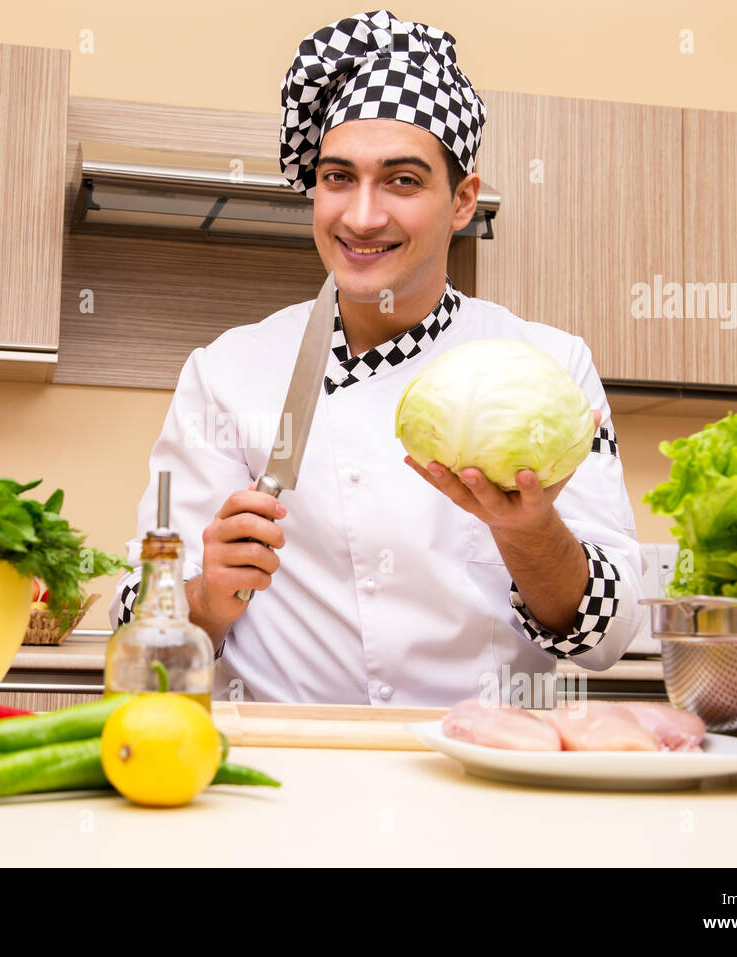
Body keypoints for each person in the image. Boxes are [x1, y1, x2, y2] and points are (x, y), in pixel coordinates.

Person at [109, 10, 644, 706]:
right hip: (287, 775)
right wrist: (207, 594)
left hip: (485, 773)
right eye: (338, 177)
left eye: (401, 181)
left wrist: (531, 532)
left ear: (462, 201)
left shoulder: (548, 367)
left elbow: (604, 638)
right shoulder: (229, 371)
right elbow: (138, 628)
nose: (361, 217)